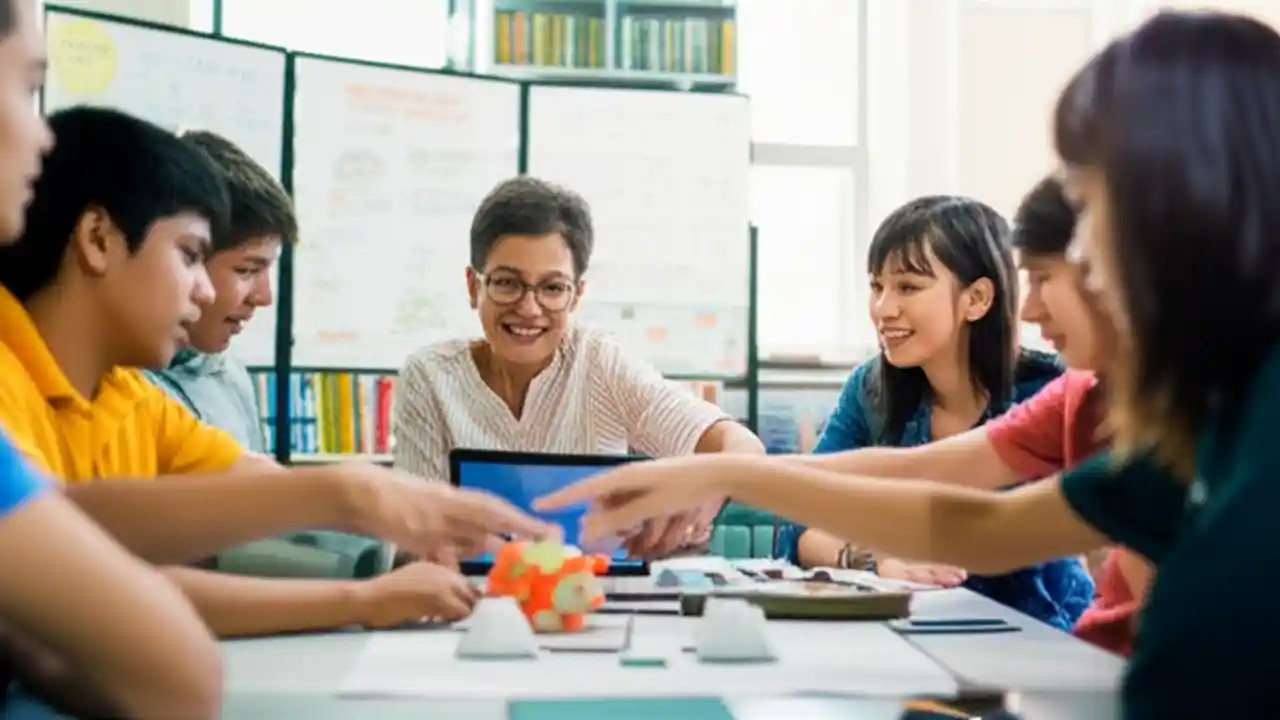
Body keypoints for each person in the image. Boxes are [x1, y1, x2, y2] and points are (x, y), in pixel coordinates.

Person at [539, 11, 1280, 717]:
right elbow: (967, 520)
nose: (1080, 251)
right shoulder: (1197, 419)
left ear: (1182, 198)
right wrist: (726, 474)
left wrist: (729, 475)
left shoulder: (1236, 415)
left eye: (1089, 205)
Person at [0, 105, 553, 638]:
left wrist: (391, 509)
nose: (205, 289)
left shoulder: (127, 397)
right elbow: (71, 563)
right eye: (191, 255)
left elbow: (262, 488)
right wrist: (357, 555)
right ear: (98, 240)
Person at [778, 177, 1146, 654]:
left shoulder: (1056, 390)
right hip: (909, 638)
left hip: (1039, 641)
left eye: (908, 286)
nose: (883, 308)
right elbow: (801, 521)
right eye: (877, 287)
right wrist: (875, 559)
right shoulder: (871, 389)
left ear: (977, 299)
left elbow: (1004, 528)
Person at [0, 2, 221, 717]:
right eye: (26, 87)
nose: (42, 136)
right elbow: (173, 672)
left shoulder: (133, 391)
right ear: (98, 239)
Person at [395, 176, 764, 558]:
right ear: (474, 286)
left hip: (596, 588)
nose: (529, 308)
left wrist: (699, 496)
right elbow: (412, 537)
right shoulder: (430, 377)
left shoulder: (601, 364)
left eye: (553, 288)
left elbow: (742, 447)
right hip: (470, 589)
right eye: (506, 283)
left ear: (576, 296)